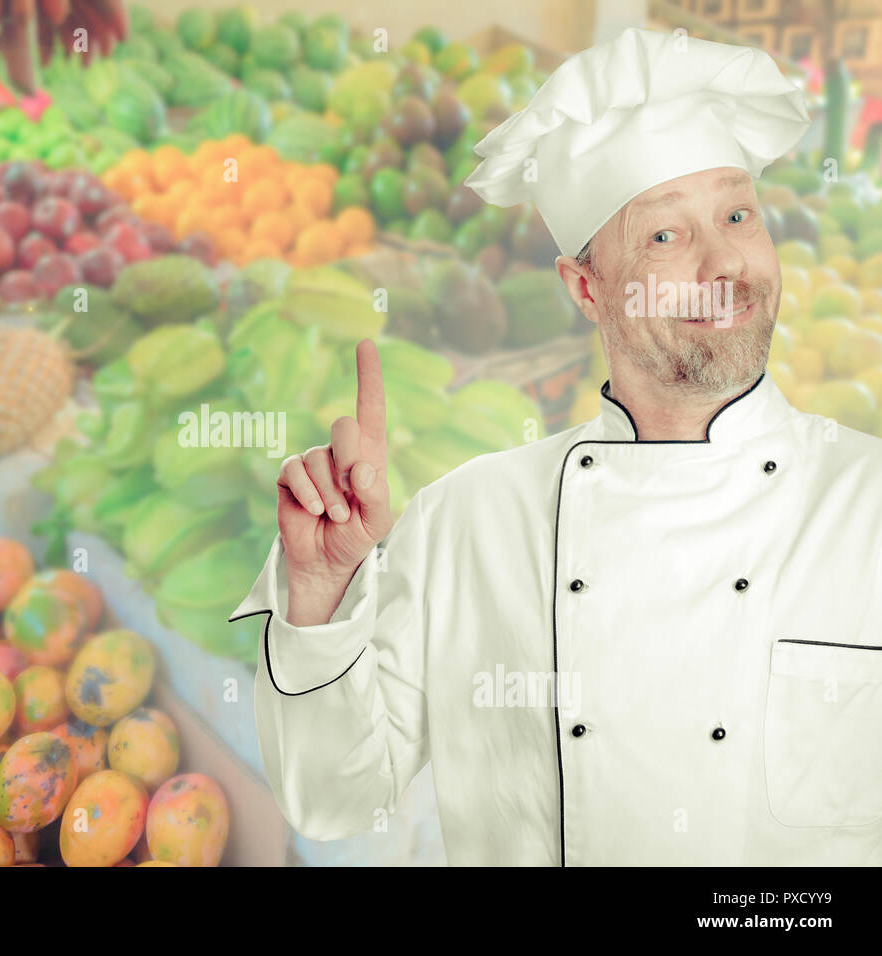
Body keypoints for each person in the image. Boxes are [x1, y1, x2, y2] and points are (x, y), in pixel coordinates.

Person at [230, 26, 882, 866]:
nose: (726, 261)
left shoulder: (868, 508)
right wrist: (320, 593)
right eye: (665, 237)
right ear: (585, 288)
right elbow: (334, 798)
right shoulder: (471, 518)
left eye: (737, 214)